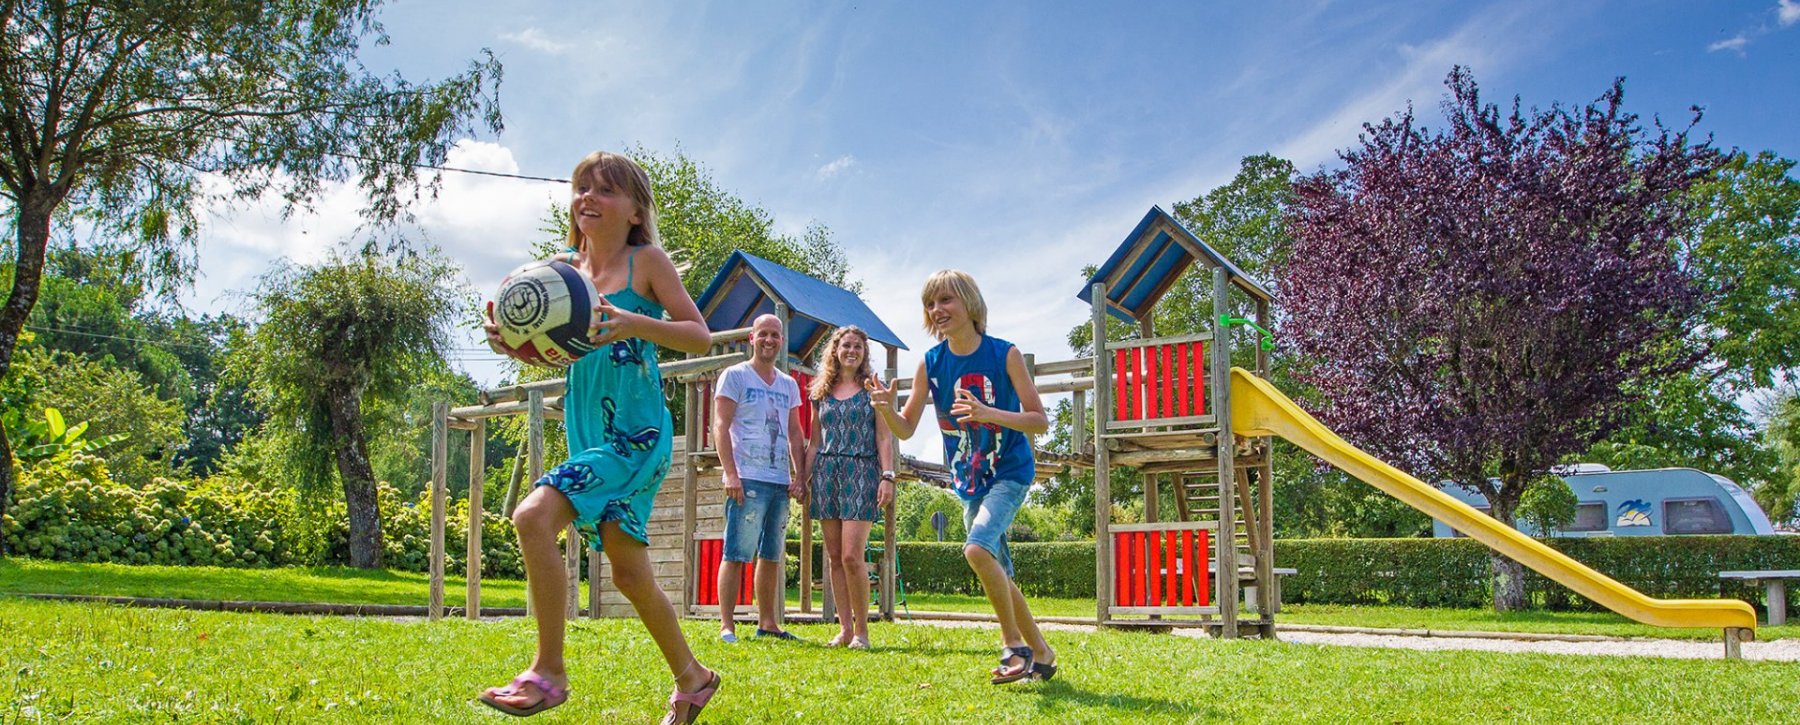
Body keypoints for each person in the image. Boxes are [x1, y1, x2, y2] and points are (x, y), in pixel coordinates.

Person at [479, 151, 721, 723]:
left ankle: (548, 672)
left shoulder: (647, 263)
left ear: (635, 211)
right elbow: (536, 340)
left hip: (635, 434)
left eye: (605, 190)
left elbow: (699, 337)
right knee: (628, 570)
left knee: (532, 517)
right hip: (588, 430)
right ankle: (695, 678)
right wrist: (508, 338)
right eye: (581, 187)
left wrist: (636, 321)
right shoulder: (558, 270)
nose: (588, 197)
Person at [867, 269, 1057, 684]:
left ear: (970, 303)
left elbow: (1039, 421)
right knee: (996, 567)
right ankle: (1042, 653)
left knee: (976, 549)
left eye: (946, 300)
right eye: (930, 304)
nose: (937, 310)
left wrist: (990, 414)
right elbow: (906, 428)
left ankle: (1015, 646)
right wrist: (884, 409)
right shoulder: (931, 363)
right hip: (969, 479)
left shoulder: (1004, 354)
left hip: (1009, 471)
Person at [713, 313, 806, 643]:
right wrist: (730, 473)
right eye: (763, 334)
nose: (769, 340)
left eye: (775, 335)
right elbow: (721, 425)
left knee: (771, 553)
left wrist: (800, 476)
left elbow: (796, 433)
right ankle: (727, 625)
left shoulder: (789, 384)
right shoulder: (735, 376)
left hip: (779, 480)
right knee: (737, 551)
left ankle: (768, 623)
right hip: (746, 478)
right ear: (751, 338)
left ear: (782, 342)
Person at [802, 326, 895, 649]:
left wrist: (888, 476)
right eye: (846, 345)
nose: (851, 351)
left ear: (864, 352)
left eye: (858, 346)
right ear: (835, 350)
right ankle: (843, 629)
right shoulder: (820, 393)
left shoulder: (872, 389)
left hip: (862, 471)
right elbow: (814, 443)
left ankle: (862, 632)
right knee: (834, 556)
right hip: (827, 473)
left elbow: (885, 437)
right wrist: (803, 477)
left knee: (853, 555)